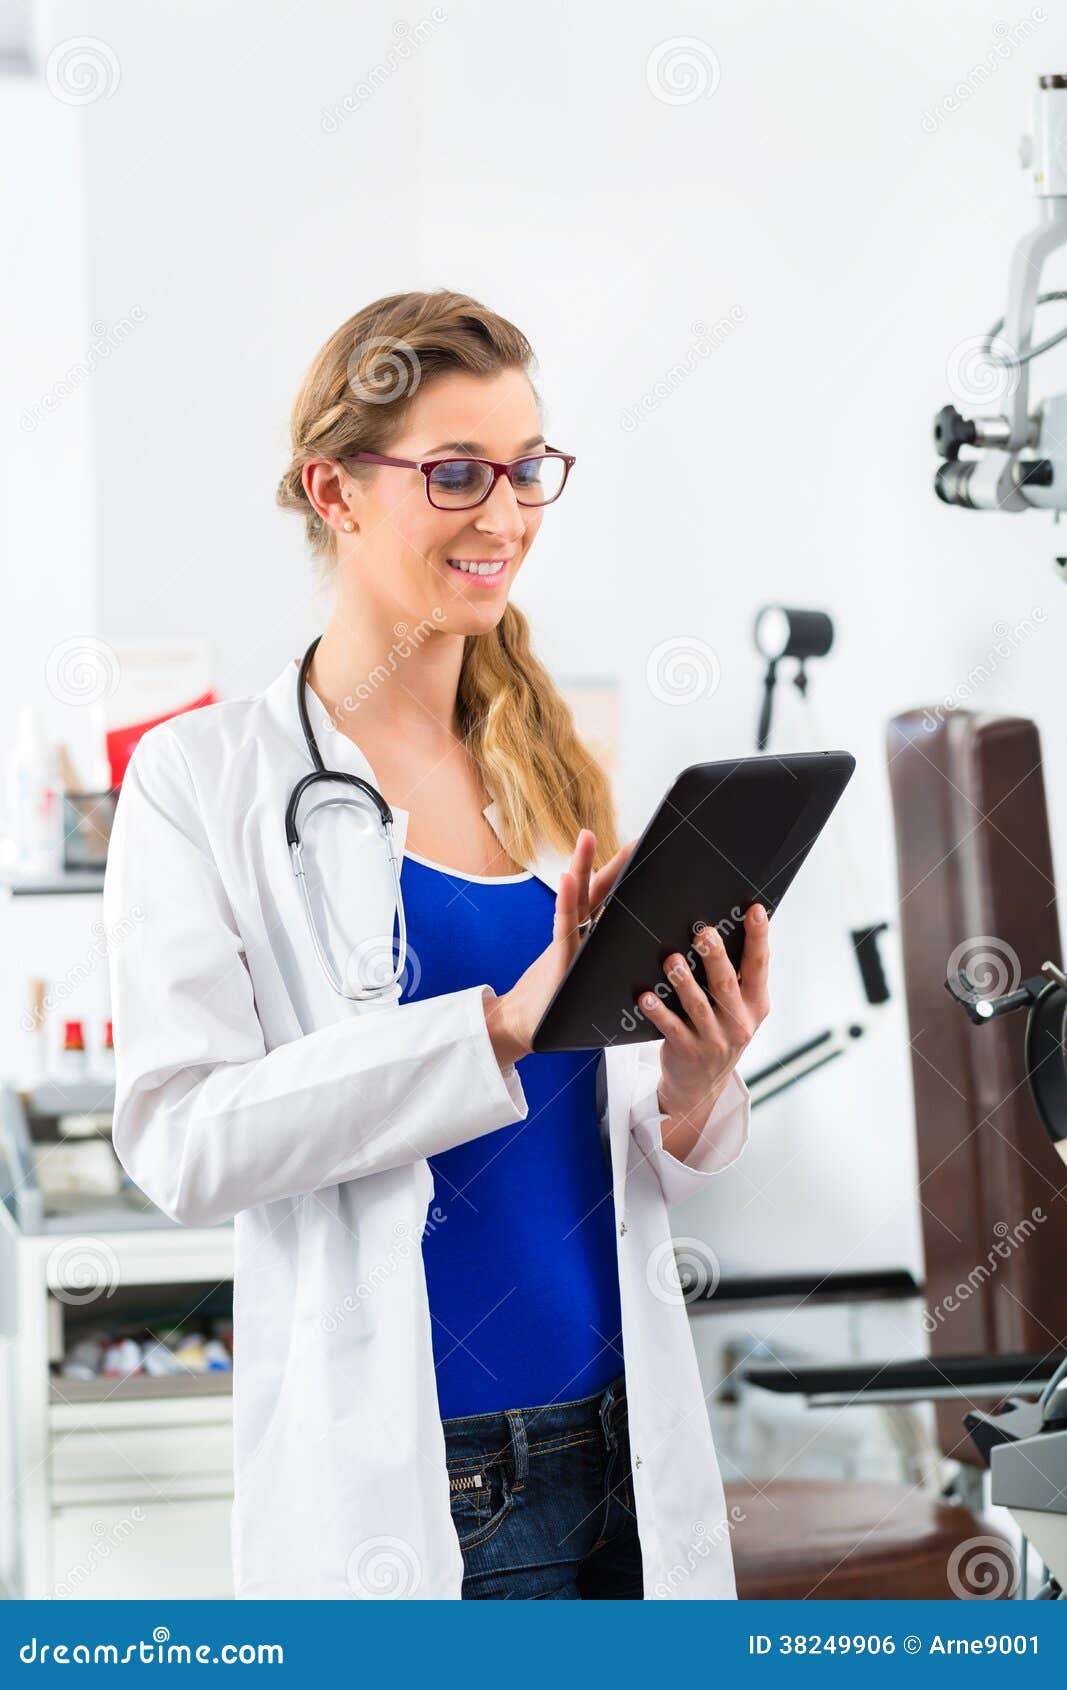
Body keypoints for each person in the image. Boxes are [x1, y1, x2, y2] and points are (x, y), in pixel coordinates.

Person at [104, 288, 770, 1600]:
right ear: (335, 492)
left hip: (624, 1449)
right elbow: (180, 1140)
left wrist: (699, 1080)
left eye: (527, 469)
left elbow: (624, 1133)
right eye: (457, 472)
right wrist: (495, 1028)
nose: (507, 513)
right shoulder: (205, 779)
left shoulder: (552, 762)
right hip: (429, 1480)